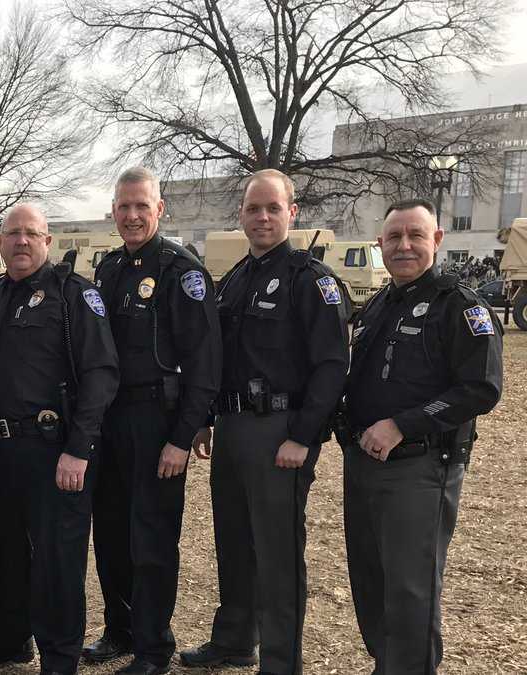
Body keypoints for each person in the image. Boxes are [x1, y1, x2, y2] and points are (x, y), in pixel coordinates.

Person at [180, 170, 349, 674]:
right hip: (233, 430)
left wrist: (304, 436)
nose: (262, 217)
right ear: (241, 215)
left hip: (280, 431)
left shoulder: (311, 279)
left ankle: (281, 662)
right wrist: (207, 418)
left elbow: (332, 365)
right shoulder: (235, 279)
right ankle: (234, 641)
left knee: (277, 555)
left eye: (273, 208)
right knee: (234, 542)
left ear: (291, 213)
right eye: (254, 208)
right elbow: (220, 358)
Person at [0, 204, 119, 675]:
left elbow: (100, 377)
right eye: (11, 233)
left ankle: (59, 657)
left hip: (54, 450)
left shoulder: (74, 296)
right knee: (0, 549)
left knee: (58, 559)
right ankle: (11, 637)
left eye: (30, 234)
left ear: (47, 242)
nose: (20, 241)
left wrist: (79, 449)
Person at [340, 199, 502, 673]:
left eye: (415, 235)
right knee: (370, 580)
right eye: (394, 237)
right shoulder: (378, 305)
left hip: (420, 467)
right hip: (365, 464)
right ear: (381, 244)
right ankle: (388, 664)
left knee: (411, 589)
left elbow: (481, 388)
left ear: (437, 240)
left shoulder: (460, 306)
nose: (404, 246)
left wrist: (402, 425)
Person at [85, 169, 221, 674]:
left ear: (160, 209)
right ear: (113, 211)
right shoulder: (109, 269)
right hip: (110, 420)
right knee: (113, 534)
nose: (132, 216)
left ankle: (152, 647)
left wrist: (182, 436)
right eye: (123, 207)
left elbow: (205, 364)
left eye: (142, 206)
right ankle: (119, 631)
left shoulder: (180, 270)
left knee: (153, 538)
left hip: (156, 420)